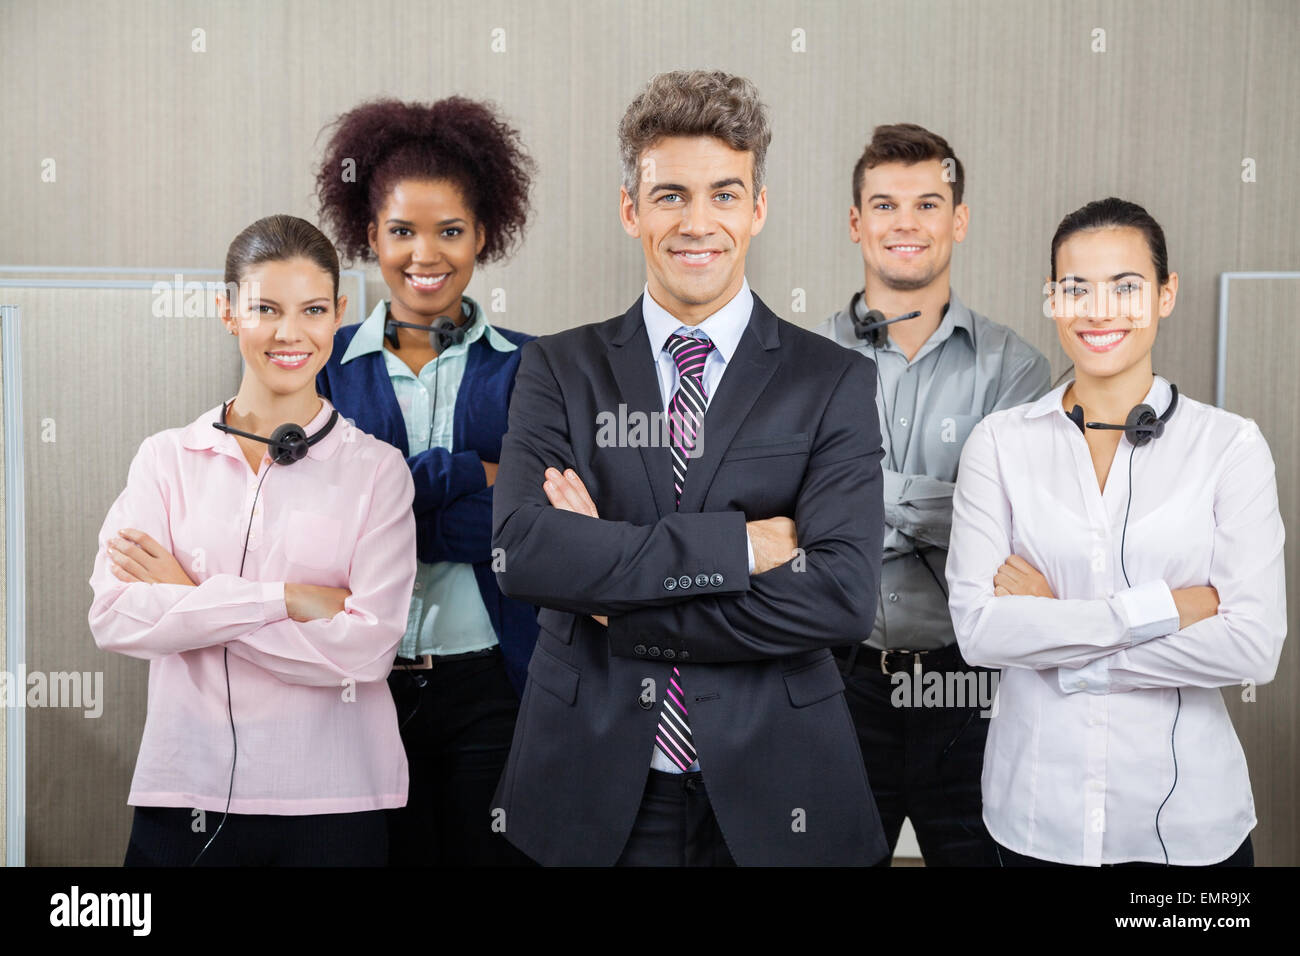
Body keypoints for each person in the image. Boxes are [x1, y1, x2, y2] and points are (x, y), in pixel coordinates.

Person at [490, 69, 889, 866]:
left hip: (781, 784)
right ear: (631, 210)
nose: (697, 222)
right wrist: (738, 550)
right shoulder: (558, 370)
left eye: (724, 194)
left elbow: (840, 598)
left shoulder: (832, 380)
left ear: (759, 208)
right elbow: (525, 554)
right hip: (592, 781)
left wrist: (618, 598)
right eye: (670, 195)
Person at [946, 197, 1287, 867]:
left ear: (1166, 294)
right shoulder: (999, 445)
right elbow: (981, 633)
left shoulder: (1231, 447)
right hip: (1037, 816)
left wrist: (1057, 633)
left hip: (1191, 824)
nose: (1099, 310)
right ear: (1053, 299)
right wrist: (1169, 609)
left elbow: (1251, 647)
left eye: (1126, 286)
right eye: (1076, 288)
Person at [88, 214, 417, 866]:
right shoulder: (166, 459)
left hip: (335, 798)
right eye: (265, 308)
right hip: (185, 788)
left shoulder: (377, 471)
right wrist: (289, 597)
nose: (289, 332)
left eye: (313, 309)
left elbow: (366, 652)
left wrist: (191, 600)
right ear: (228, 312)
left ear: (338, 315)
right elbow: (116, 617)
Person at [814, 123, 1050, 865]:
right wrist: (956, 507)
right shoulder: (802, 363)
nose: (905, 224)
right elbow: (794, 517)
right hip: (837, 684)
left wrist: (853, 497)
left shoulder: (1019, 370)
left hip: (973, 689)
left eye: (927, 203)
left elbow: (1015, 526)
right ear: (857, 223)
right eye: (884, 205)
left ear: (959, 219)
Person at [314, 96, 537, 866]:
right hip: (355, 687)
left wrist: (390, 519)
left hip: (493, 687)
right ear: (370, 234)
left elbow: (533, 525)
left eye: (450, 231)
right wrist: (473, 472)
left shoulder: (531, 368)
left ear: (483, 235)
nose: (425, 253)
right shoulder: (321, 367)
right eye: (402, 231)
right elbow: (316, 525)